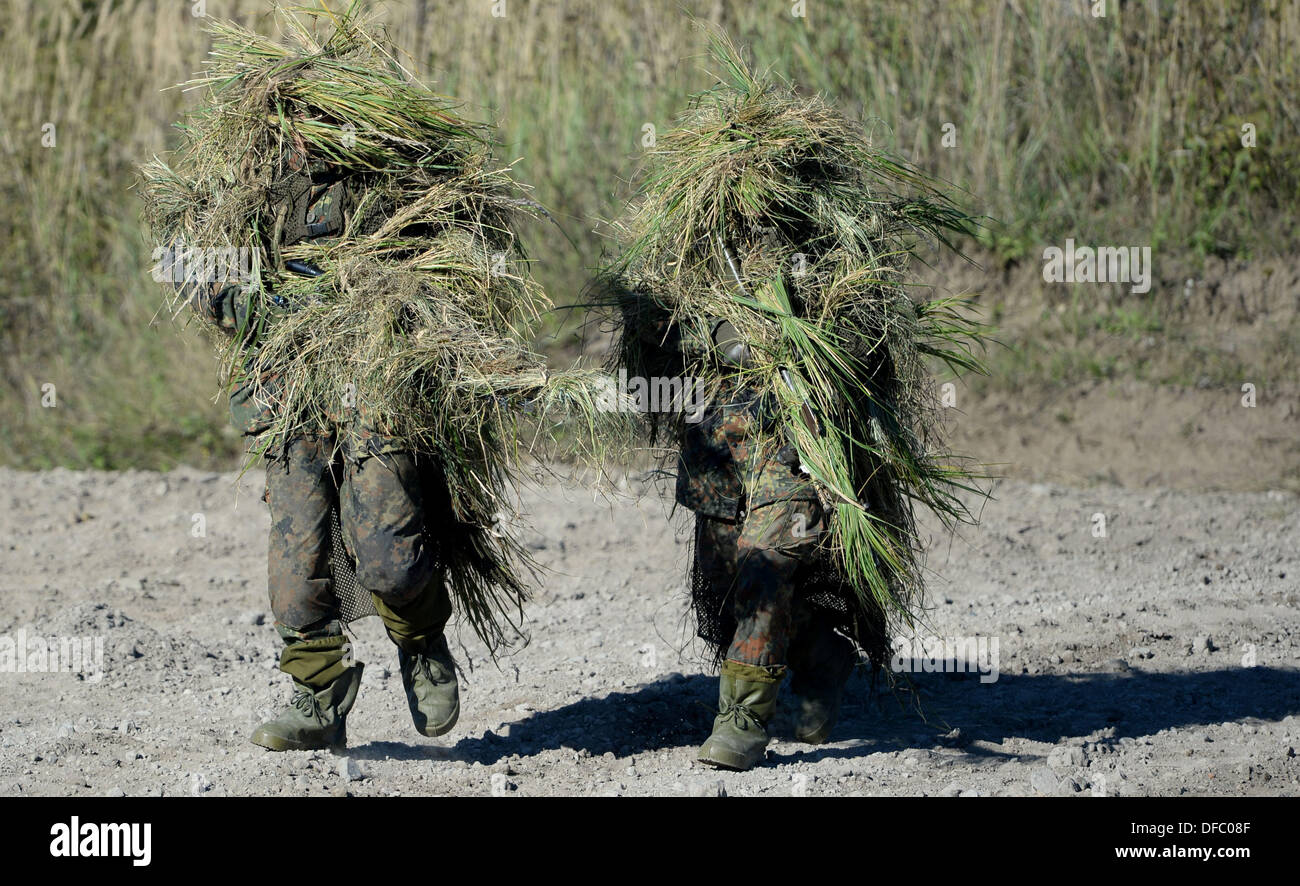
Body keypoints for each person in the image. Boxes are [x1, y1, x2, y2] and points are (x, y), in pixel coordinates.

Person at [165, 145, 459, 751]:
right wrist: (253, 304)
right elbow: (194, 269)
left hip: (370, 381)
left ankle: (422, 643)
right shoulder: (247, 176)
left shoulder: (391, 174)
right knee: (297, 569)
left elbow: (447, 263)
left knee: (389, 555)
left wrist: (382, 301)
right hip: (284, 386)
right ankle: (318, 698)